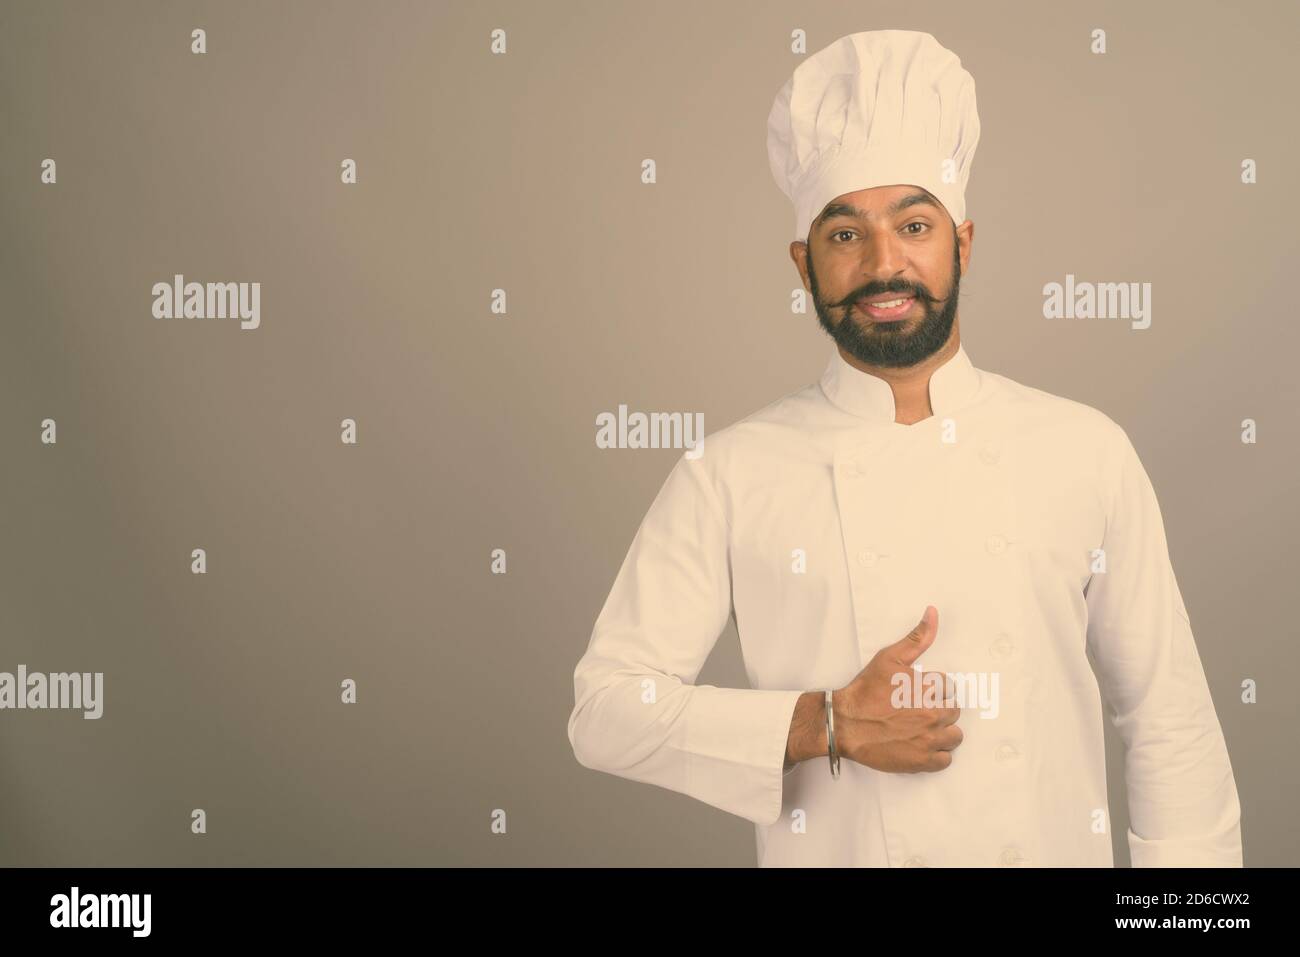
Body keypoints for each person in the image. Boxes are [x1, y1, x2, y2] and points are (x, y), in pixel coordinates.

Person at [566, 29, 1242, 867]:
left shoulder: (1085, 452)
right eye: (845, 235)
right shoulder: (730, 475)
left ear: (960, 242)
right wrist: (825, 721)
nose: (885, 264)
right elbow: (604, 710)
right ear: (803, 265)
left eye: (914, 225)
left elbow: (1168, 721)